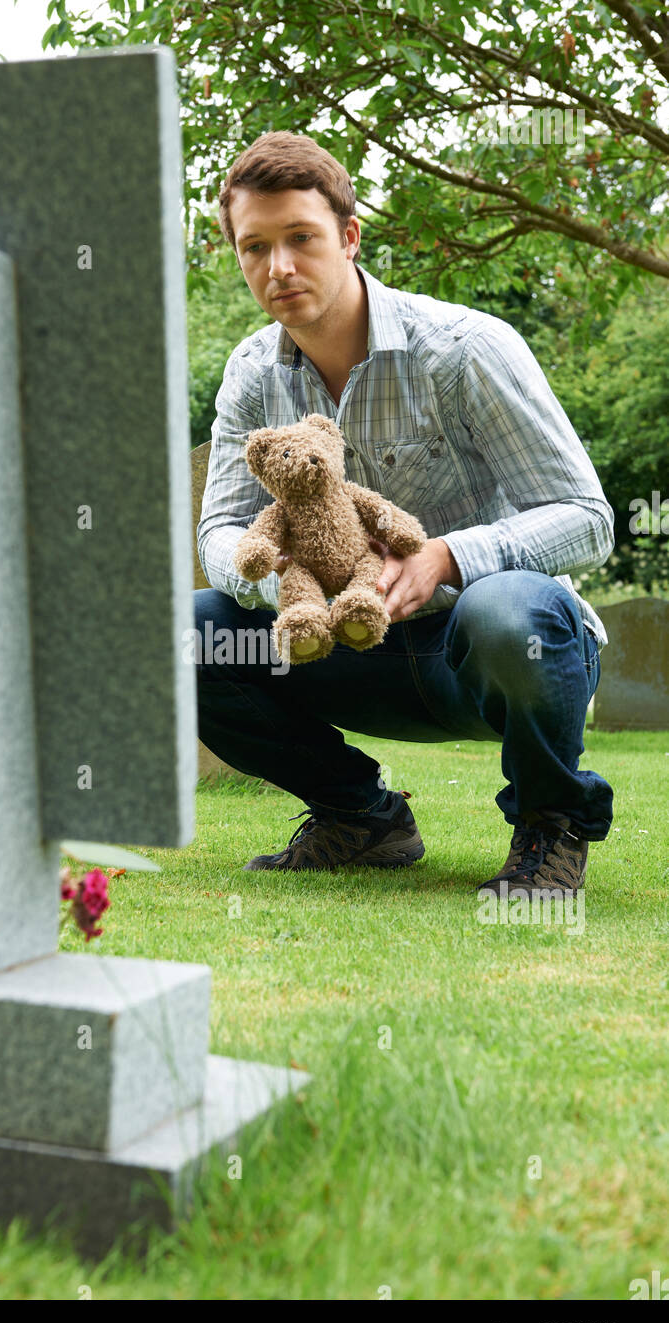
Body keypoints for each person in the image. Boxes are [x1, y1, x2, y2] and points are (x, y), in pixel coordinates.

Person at [194, 129, 613, 896]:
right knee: (190, 636)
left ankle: (551, 828)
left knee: (508, 608)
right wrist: (281, 581)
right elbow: (219, 530)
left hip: (484, 653)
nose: (279, 267)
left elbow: (588, 515)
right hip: (342, 648)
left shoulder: (465, 349)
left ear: (349, 238)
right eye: (255, 247)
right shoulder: (251, 372)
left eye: (301, 239)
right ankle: (361, 817)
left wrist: (446, 557)